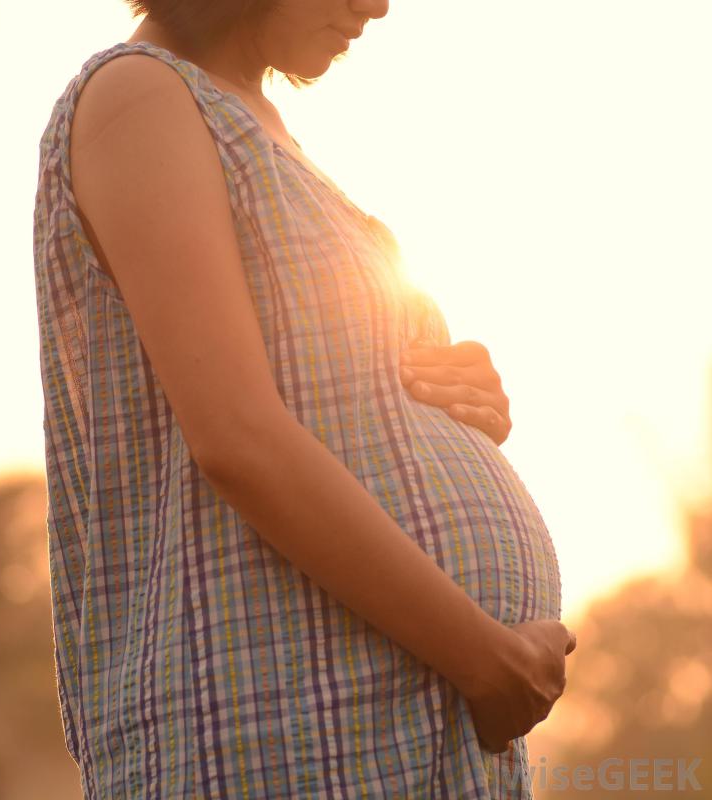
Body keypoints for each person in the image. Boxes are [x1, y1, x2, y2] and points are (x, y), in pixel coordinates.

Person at [32, 1, 576, 797]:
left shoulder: (253, 123)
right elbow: (237, 437)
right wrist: (482, 658)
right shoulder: (139, 97)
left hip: (379, 717)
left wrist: (449, 398)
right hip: (275, 727)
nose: (377, 4)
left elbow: (307, 386)